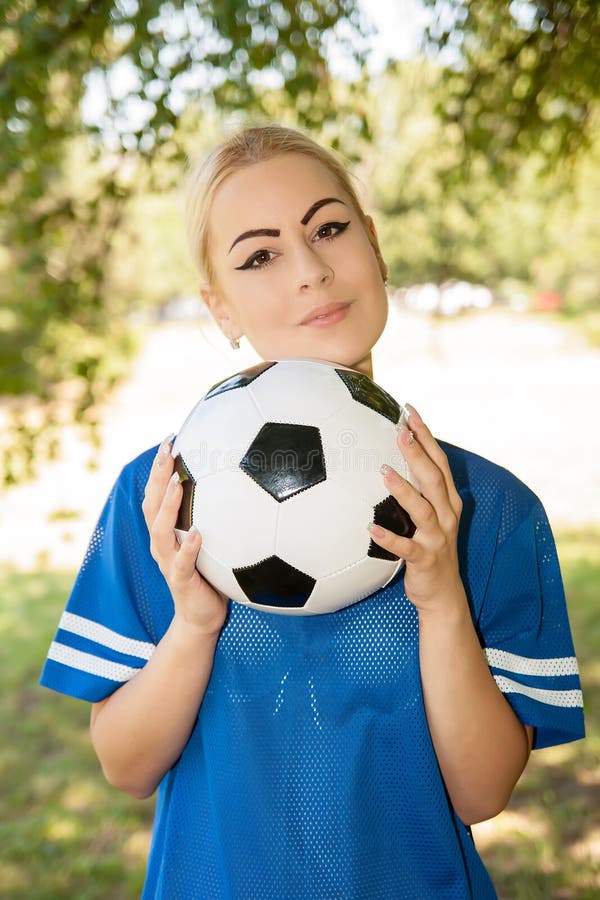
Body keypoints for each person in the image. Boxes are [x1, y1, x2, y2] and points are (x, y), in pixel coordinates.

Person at [40, 124, 585, 899]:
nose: (311, 270)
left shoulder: (491, 508)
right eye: (259, 256)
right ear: (220, 308)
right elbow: (125, 768)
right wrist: (194, 624)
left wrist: (441, 599)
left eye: (329, 229)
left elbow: (482, 793)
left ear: (375, 247)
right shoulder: (160, 497)